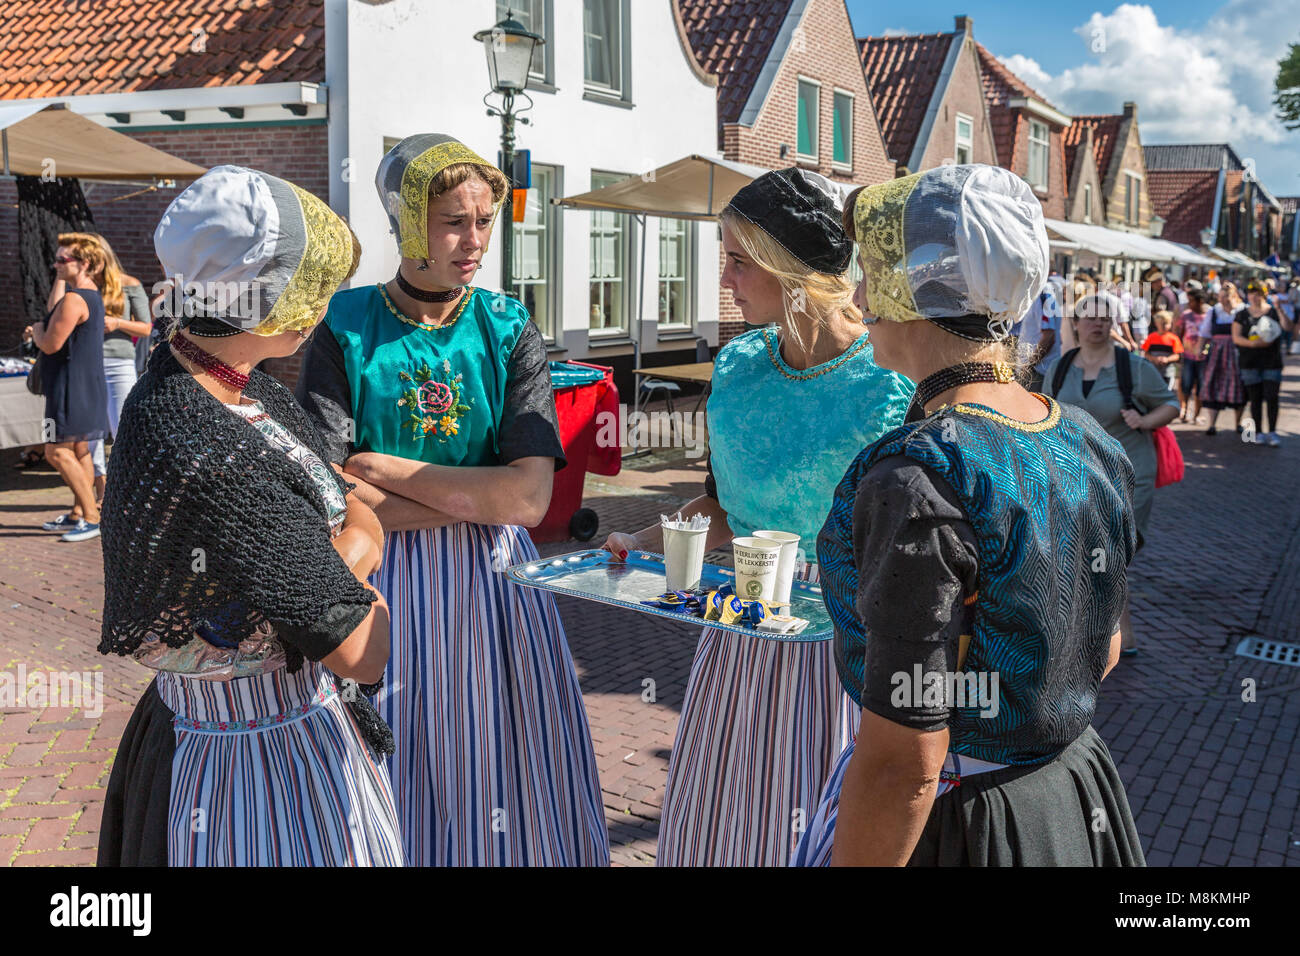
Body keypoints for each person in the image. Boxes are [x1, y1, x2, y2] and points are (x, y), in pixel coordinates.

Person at [794, 164, 1144, 867]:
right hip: (1071, 794)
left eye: (873, 274)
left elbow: (904, 762)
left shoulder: (920, 476)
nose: (859, 297)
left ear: (916, 288)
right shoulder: (1085, 440)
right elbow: (1102, 648)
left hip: (962, 823)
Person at [294, 134, 608, 867]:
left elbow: (529, 499)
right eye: (453, 222)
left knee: (499, 763)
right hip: (380, 580)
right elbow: (326, 493)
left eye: (484, 220)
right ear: (407, 224)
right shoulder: (347, 326)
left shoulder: (507, 327)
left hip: (494, 590)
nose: (475, 241)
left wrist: (387, 467)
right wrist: (474, 496)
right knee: (390, 761)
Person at [601, 168, 913, 867]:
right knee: (730, 813)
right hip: (741, 631)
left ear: (794, 269)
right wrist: (641, 540)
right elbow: (721, 506)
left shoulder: (893, 377)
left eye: (739, 262)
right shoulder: (738, 365)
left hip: (848, 640)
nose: (726, 280)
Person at [97, 165, 403, 866]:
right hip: (256, 772)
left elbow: (346, 494)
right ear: (272, 301)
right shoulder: (205, 437)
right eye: (315, 289)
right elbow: (363, 646)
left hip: (268, 731)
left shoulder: (227, 382)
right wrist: (358, 550)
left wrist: (347, 537)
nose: (323, 307)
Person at [1047, 292, 1179, 656]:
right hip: (1076, 476)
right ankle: (1098, 634)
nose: (1097, 324)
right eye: (1089, 317)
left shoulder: (1132, 367)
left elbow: (1171, 404)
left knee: (1109, 552)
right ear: (1076, 323)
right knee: (1080, 551)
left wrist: (1146, 420)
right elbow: (1048, 413)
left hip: (1128, 478)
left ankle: (1118, 637)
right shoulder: (1060, 368)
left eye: (1105, 318)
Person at [23, 234, 111, 542]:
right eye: (56, 258)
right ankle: (78, 512)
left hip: (68, 389)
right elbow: (54, 310)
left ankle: (91, 516)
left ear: (84, 263)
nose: (56, 263)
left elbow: (50, 344)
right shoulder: (88, 294)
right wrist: (61, 278)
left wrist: (36, 331)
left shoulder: (76, 300)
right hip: (85, 387)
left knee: (55, 451)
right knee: (79, 450)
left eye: (63, 260)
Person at [1233, 279, 1292, 446]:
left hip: (1271, 362)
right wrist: (1253, 344)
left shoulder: (1273, 312)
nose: (1255, 297)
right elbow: (1236, 337)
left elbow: (1287, 327)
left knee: (1271, 396)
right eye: (1252, 293)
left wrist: (1279, 308)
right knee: (1255, 398)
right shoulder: (1242, 314)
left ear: (1264, 295)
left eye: (1258, 293)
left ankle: (1272, 432)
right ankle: (1258, 431)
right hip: (1249, 362)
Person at [1201, 281, 1246, 435]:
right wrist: (1199, 351)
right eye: (1220, 297)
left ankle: (1238, 423)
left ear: (1233, 296)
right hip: (1217, 354)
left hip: (1237, 353)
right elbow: (1205, 333)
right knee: (1213, 385)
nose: (1222, 300)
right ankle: (1212, 424)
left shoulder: (1242, 310)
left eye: (1225, 297)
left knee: (1239, 386)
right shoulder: (1214, 311)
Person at [1012, 284, 1061, 391]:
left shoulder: (1043, 295)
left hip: (1038, 372)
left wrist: (1028, 366)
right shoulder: (1037, 294)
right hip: (1034, 370)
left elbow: (1049, 336)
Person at [1176, 286, 1210, 423]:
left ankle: (1196, 414)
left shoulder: (1209, 315)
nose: (1189, 304)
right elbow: (1179, 333)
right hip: (1188, 356)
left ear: (1200, 301)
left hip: (1204, 358)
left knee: (1200, 387)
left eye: (1191, 301)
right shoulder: (1186, 315)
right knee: (1186, 385)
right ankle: (1184, 410)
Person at [1141, 309, 1184, 397]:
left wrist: (1167, 359)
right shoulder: (1151, 337)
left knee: (1166, 392)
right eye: (1162, 323)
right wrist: (1154, 359)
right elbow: (1146, 353)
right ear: (1156, 324)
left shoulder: (1173, 338)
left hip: (1168, 372)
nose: (1165, 326)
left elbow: (1177, 355)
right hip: (1153, 370)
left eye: (1167, 323)